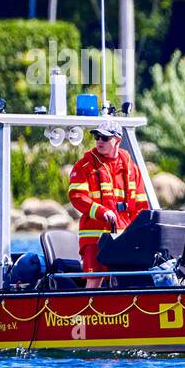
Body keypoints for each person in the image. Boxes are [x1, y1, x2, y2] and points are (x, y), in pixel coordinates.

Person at [67, 120, 150, 288]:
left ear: (117, 140)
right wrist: (101, 211)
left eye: (105, 138)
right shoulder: (84, 165)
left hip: (123, 236)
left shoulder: (131, 168)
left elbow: (141, 206)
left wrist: (140, 233)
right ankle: (88, 312)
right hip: (94, 237)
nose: (99, 141)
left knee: (125, 278)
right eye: (97, 137)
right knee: (95, 278)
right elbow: (77, 196)